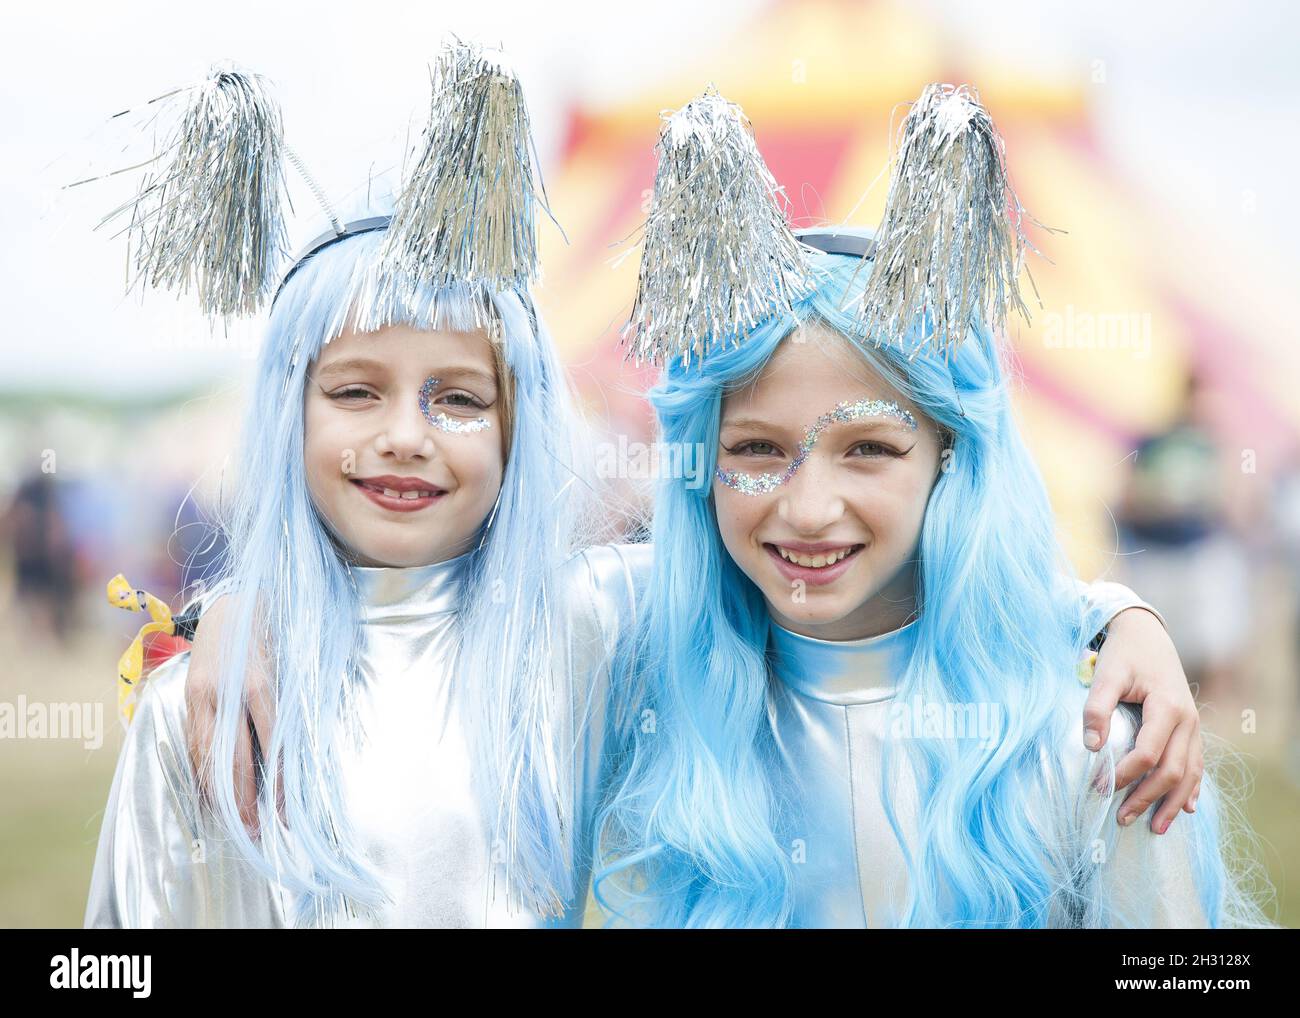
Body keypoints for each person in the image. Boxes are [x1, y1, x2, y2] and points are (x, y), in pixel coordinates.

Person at [590, 85, 1268, 928]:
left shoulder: (1089, 741)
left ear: (953, 458)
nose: (807, 508)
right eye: (758, 450)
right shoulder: (644, 677)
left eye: (869, 449)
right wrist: (1114, 610)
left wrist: (1114, 616)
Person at [85, 45, 639, 928]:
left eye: (457, 398)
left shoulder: (592, 630)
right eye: (354, 391)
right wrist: (237, 608)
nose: (406, 437)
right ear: (289, 414)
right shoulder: (200, 703)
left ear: (514, 428)